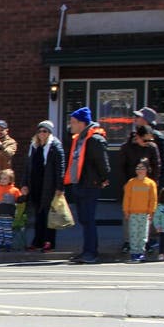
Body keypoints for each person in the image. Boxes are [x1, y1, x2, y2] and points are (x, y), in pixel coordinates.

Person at [63, 107, 110, 264]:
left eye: (74, 122)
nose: (71, 125)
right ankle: (86, 251)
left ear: (82, 123)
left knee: (88, 220)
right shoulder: (79, 138)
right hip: (80, 184)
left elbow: (103, 164)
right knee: (84, 219)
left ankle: (91, 252)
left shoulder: (95, 139)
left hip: (90, 185)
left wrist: (102, 179)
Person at [21, 120, 65, 252]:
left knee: (49, 215)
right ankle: (37, 241)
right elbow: (28, 167)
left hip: (49, 185)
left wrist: (60, 187)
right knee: (38, 214)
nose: (41, 133)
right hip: (36, 184)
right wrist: (24, 184)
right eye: (39, 131)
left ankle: (49, 242)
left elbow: (60, 168)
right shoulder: (34, 145)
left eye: (44, 131)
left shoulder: (55, 146)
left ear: (49, 132)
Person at [118, 124, 161, 253]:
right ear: (137, 137)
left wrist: (154, 183)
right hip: (131, 184)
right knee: (128, 213)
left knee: (147, 213)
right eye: (145, 140)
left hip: (146, 185)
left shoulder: (152, 147)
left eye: (150, 140)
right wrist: (124, 185)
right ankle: (128, 241)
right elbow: (120, 167)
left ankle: (145, 241)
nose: (148, 143)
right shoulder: (127, 148)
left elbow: (157, 165)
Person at [122, 159, 157, 262]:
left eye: (142, 168)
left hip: (145, 213)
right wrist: (126, 210)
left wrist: (151, 211)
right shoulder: (131, 182)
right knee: (133, 233)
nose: (140, 170)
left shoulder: (150, 183)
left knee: (143, 234)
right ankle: (134, 252)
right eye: (138, 168)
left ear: (147, 169)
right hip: (133, 213)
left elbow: (153, 199)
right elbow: (127, 197)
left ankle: (140, 253)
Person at [0, 168, 23, 252]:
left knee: (8, 231)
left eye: (5, 178)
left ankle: (8, 244)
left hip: (9, 215)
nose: (2, 180)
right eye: (1, 178)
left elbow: (20, 201)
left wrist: (24, 195)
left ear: (10, 180)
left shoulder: (15, 190)